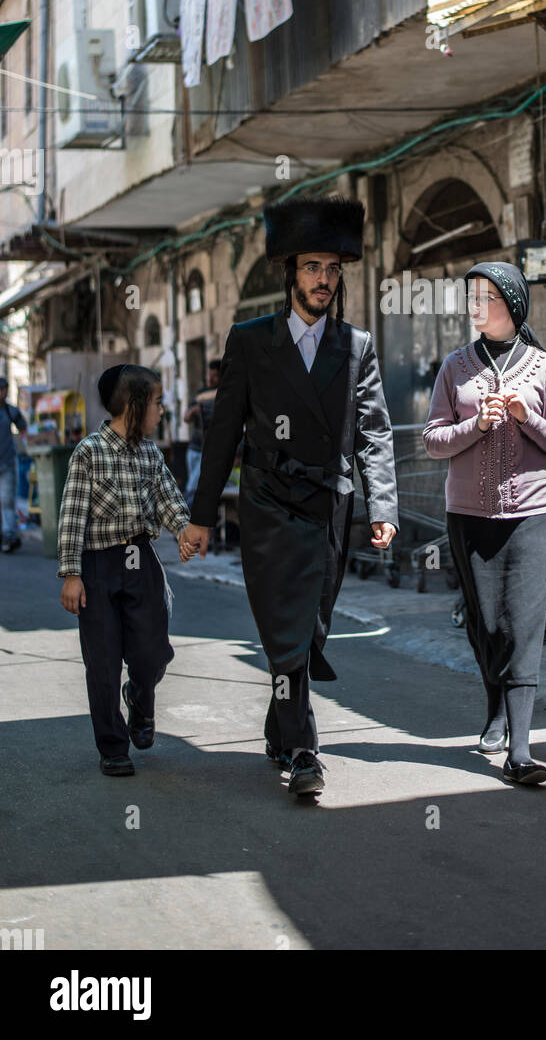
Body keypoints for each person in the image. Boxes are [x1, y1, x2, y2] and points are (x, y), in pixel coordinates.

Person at [182, 197, 398, 798]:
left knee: (312, 627)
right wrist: (201, 519)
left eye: (331, 269)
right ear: (290, 274)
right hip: (269, 503)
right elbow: (223, 433)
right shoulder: (250, 341)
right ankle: (305, 751)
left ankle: (281, 724)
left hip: (329, 501)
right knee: (287, 627)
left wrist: (383, 507)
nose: (322, 279)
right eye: (311, 267)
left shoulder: (356, 347)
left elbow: (375, 429)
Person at [423, 262, 546, 786]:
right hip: (469, 514)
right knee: (486, 623)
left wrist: (524, 418)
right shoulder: (454, 367)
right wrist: (479, 423)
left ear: (511, 305)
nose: (475, 305)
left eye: (485, 296)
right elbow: (432, 440)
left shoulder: (543, 367)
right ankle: (494, 705)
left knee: (524, 623)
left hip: (535, 513)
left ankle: (521, 749)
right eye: (471, 296)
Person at [57, 365, 196, 777]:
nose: (162, 410)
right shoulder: (89, 452)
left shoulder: (151, 453)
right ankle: (113, 747)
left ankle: (139, 698)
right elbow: (72, 516)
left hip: (141, 562)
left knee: (151, 652)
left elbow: (169, 499)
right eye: (157, 402)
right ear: (134, 406)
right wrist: (71, 573)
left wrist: (185, 530)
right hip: (97, 566)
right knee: (102, 661)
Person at [183, 359, 221, 505]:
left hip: (209, 450)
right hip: (193, 448)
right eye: (208, 375)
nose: (210, 379)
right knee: (193, 486)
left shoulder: (225, 394)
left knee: (193, 488)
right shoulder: (200, 394)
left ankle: (184, 516)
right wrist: (194, 410)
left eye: (215, 376)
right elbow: (186, 418)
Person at [0, 375, 27, 553]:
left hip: (8, 462)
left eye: (3, 389)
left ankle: (9, 534)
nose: (1, 393)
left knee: (7, 500)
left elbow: (23, 427)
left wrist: (24, 445)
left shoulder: (10, 411)